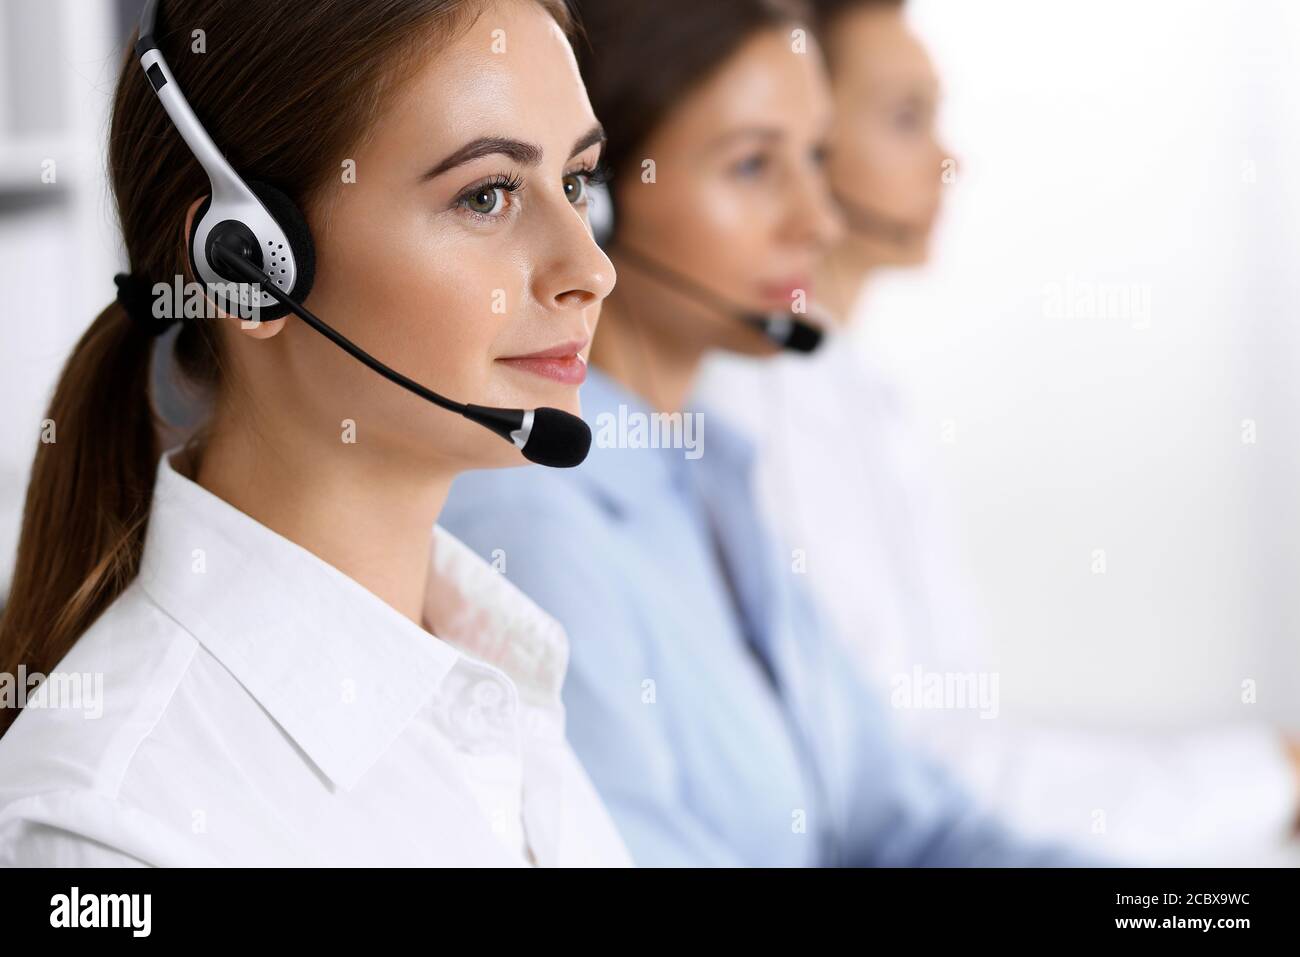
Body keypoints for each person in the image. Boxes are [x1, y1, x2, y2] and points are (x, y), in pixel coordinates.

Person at [442, 0, 1086, 866]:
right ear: (596, 204)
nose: (818, 222)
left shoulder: (710, 469)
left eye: (815, 159)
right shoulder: (529, 516)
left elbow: (908, 822)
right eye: (752, 166)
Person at [0, 0, 631, 867]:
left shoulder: (497, 677)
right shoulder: (110, 830)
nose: (591, 269)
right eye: (487, 195)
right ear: (243, 264)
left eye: (575, 183)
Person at [695, 0, 1300, 862]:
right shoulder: (751, 405)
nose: (948, 159)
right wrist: (1264, 780)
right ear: (804, 137)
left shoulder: (854, 387)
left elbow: (959, 738)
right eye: (905, 118)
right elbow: (911, 769)